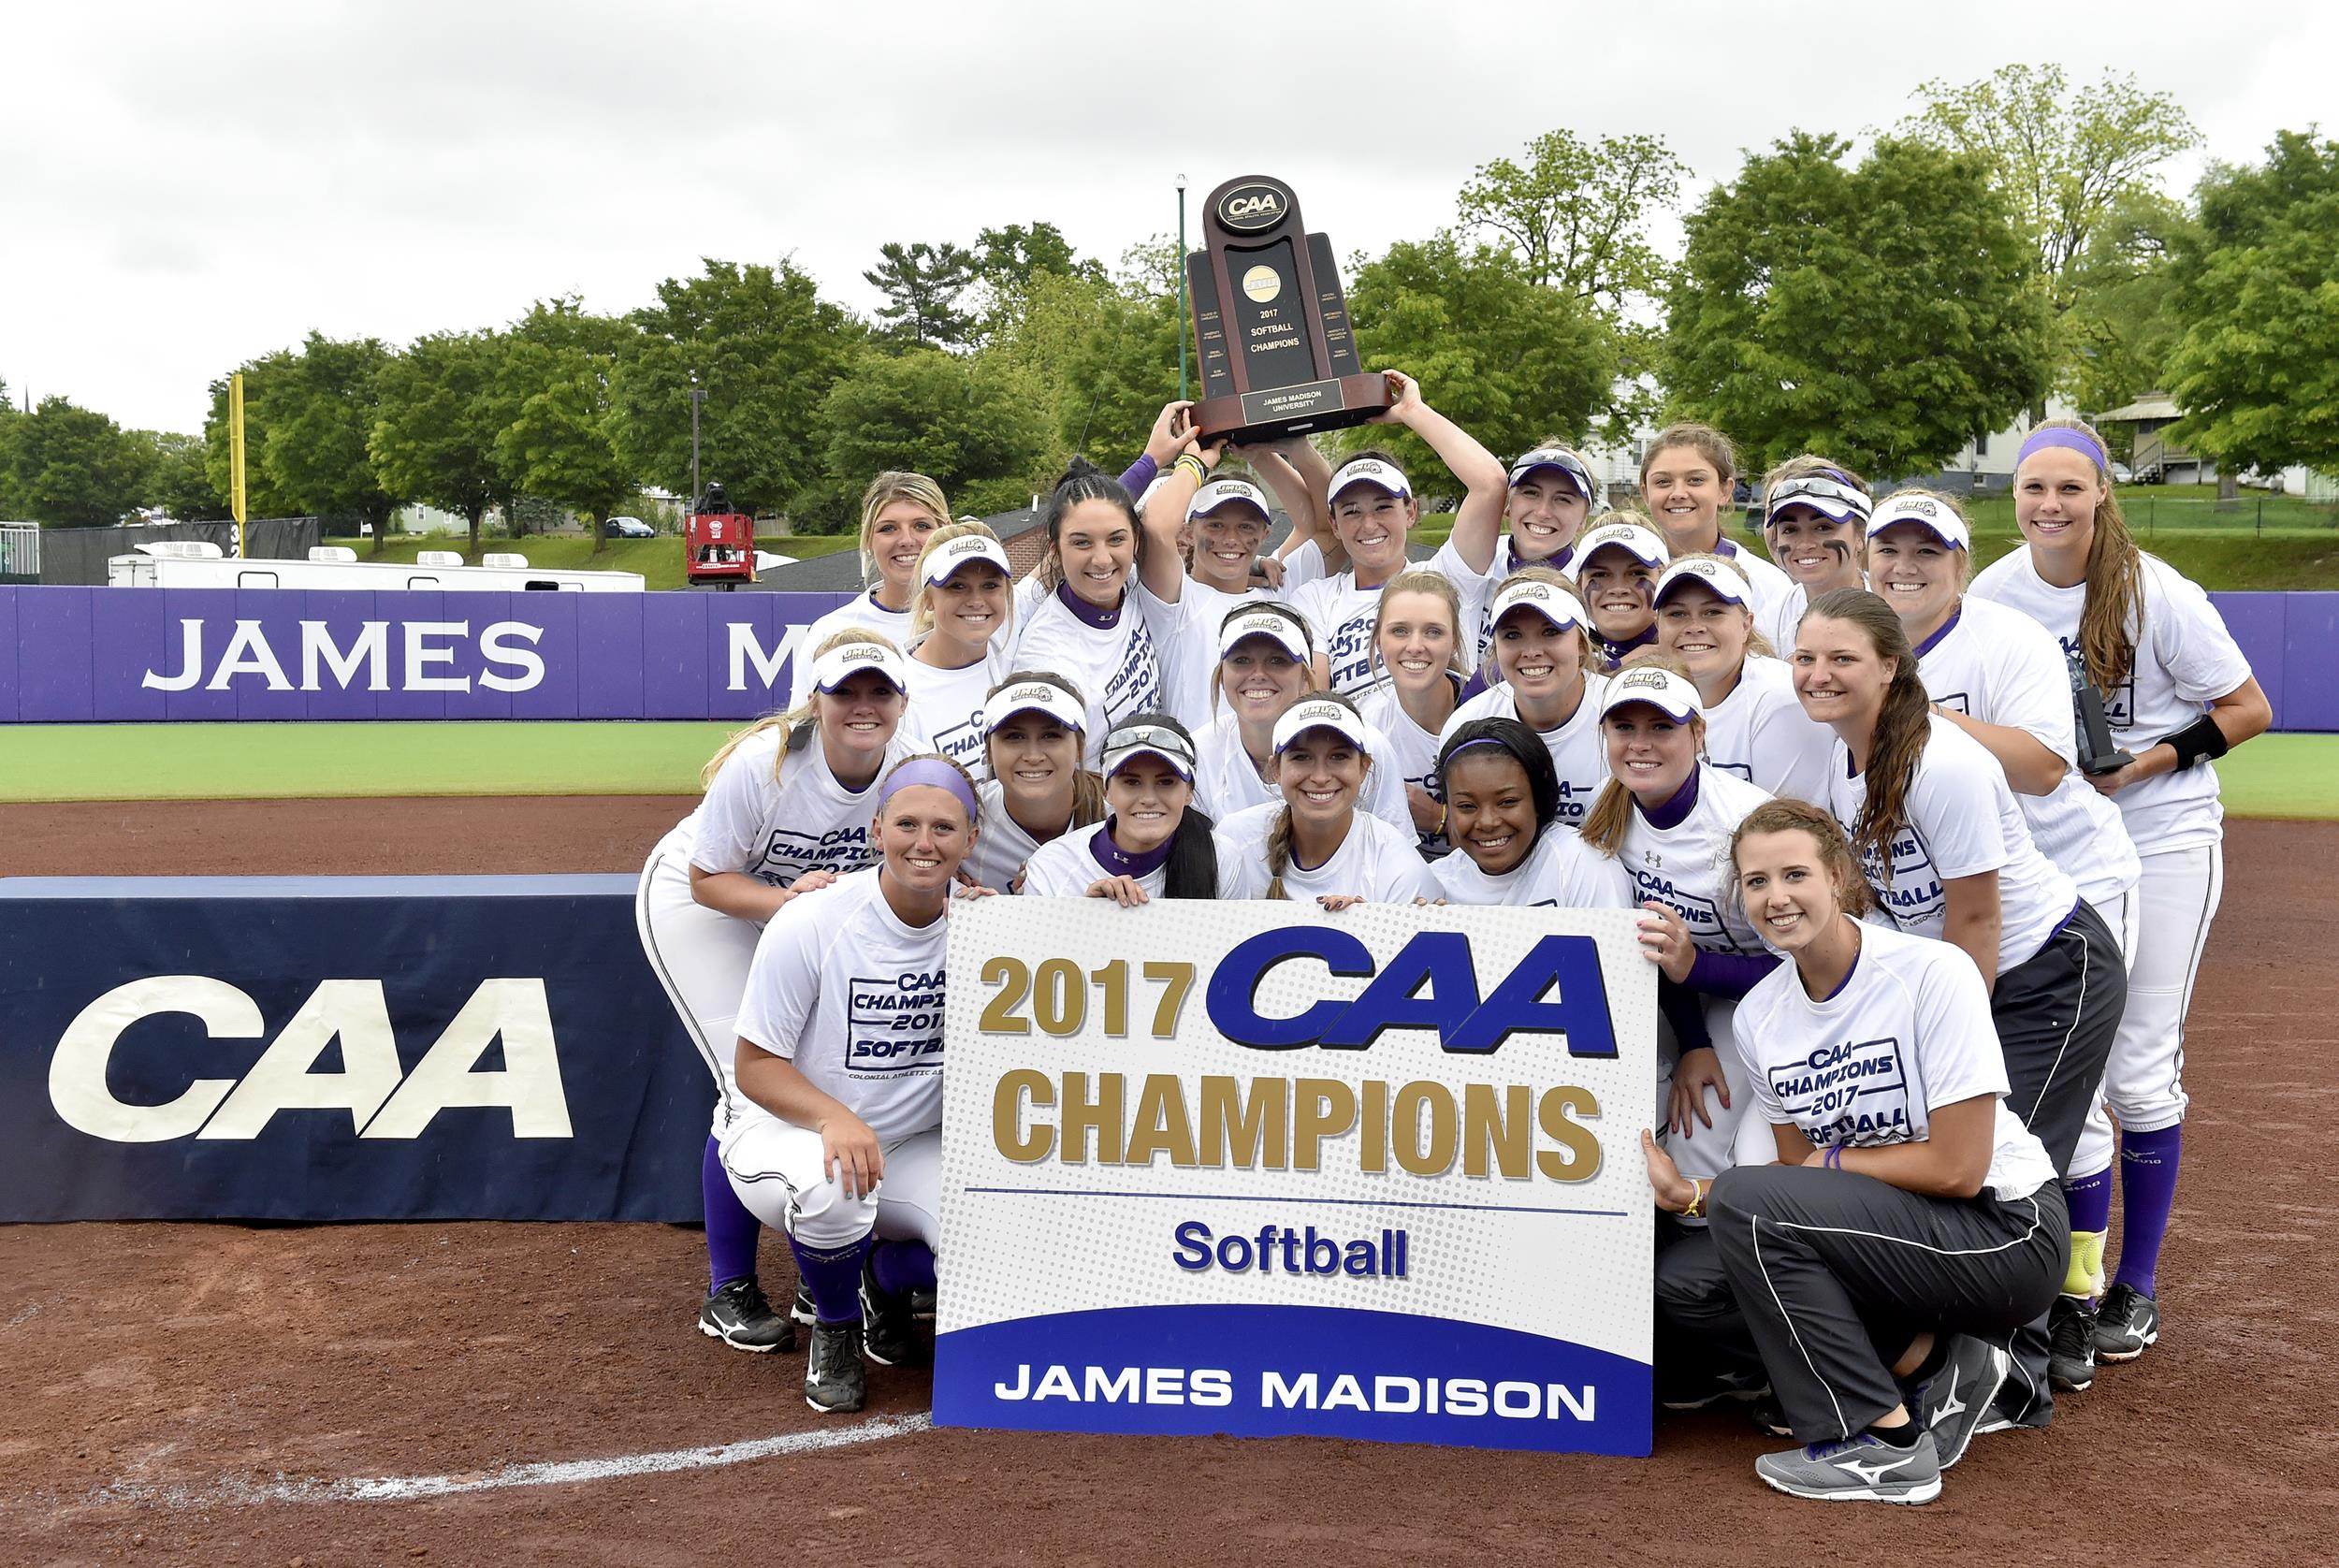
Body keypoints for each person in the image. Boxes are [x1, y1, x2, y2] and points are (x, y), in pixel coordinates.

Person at [1647, 799, 2069, 1505]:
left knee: (1751, 1199)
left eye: (1794, 875)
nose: (1775, 898)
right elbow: (1794, 1183)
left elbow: (1958, 1170)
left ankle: (1887, 1445)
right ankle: (1940, 1367)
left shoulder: (1934, 971)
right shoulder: (1760, 1017)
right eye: (1756, 882)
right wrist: (1689, 1195)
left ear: (1839, 877)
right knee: (1688, 1282)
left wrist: (1830, 1167)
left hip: (2007, 1231)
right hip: (1894, 1229)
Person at [1970, 418, 2270, 1376]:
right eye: (2032, 489)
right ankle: (2065, 1282)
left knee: (2137, 1068)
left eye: (2068, 486)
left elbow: (2247, 708)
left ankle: (2132, 1283)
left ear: (2103, 492)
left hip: (2162, 828)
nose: (2049, 504)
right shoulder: (1994, 591)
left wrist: (2140, 764)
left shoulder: (2155, 592)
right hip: (2058, 845)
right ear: (2012, 498)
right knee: (2076, 1070)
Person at [1794, 587, 2128, 1429]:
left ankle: (2010, 1374)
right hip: (1968, 978)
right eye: (1806, 657)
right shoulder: (1844, 757)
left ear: (1890, 667)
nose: (1819, 674)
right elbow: (1882, 903)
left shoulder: (1942, 762)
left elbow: (1978, 917)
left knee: (1998, 1171)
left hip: (2047, 972)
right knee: (1947, 1162)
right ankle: (1962, 1353)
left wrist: (1953, 1037)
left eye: (1842, 659)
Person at [635, 632, 917, 1354]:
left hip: (800, 907)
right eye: (845, 692)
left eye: (878, 692)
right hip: (703, 901)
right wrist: (786, 908)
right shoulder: (766, 765)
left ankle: (814, 1267)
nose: (863, 705)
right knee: (747, 1079)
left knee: (816, 1070)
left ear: (901, 701)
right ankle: (727, 1288)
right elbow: (707, 879)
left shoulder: (907, 768)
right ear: (815, 703)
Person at [724, 753, 982, 1413]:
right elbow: (754, 1065)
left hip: (911, 1146)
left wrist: (1107, 901)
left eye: (945, 829)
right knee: (832, 1190)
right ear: (875, 831)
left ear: (972, 839)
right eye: (907, 824)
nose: (925, 844)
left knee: (995, 1238)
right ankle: (835, 1326)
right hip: (795, 1134)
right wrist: (832, 1119)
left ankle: (882, 1278)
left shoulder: (989, 925)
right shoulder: (813, 921)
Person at [1578, 658, 1779, 1186]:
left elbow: (1812, 964)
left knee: (1710, 1147)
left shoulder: (1745, 823)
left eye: (1662, 727)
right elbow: (1645, 949)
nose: (1640, 743)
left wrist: (1695, 969)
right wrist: (1693, 1041)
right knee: (1665, 1131)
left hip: (1780, 993)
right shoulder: (1609, 806)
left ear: (1699, 732)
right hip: (1693, 995)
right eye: (1624, 727)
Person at [1291, 370, 1506, 697]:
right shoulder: (1317, 598)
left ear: (1411, 512)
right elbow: (1317, 693)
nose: (1369, 525)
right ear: (1334, 525)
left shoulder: (1446, 577)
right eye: (1351, 512)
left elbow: (1490, 484)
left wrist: (1414, 412)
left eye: (1383, 508)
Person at [1136, 427, 1333, 731]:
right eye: (1215, 526)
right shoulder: (1175, 598)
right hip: (1199, 773)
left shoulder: (1279, 586)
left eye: (1245, 527)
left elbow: (1325, 526)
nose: (1231, 539)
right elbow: (1154, 528)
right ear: (1189, 531)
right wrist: (1193, 463)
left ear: (1265, 534)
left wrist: (1270, 454)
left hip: (1278, 771)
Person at [1193, 602, 1411, 834]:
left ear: (1307, 677)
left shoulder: (1364, 742)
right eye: (1241, 660)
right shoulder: (1200, 755)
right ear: (1221, 675)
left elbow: (1395, 850)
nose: (1258, 674)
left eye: (1277, 660)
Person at [1216, 693, 1442, 905]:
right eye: (1302, 757)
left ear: (1363, 767)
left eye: (1338, 757)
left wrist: (1367, 925)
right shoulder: (1235, 841)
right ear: (1276, 769)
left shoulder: (1399, 866)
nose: (1321, 777)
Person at [1009, 457, 1165, 757]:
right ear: (1056, 551)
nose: (1103, 559)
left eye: (1116, 539)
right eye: (1082, 543)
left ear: (1135, 540)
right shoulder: (1046, 663)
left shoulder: (1134, 582)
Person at [1653, 555, 1832, 803]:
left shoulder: (1782, 699)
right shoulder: (1648, 693)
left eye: (1712, 612)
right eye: (1677, 614)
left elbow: (1794, 829)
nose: (1694, 627)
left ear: (1746, 625)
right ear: (1657, 625)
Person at [1441, 572, 1611, 830]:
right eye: (1512, 635)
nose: (1531, 652)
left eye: (1550, 632)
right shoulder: (1468, 724)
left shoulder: (1620, 711)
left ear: (1582, 644)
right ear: (1495, 648)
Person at [1019, 715, 1233, 902]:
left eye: (1166, 782)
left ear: (1189, 792)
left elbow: (1231, 947)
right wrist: (1085, 915)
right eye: (1131, 782)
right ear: (1107, 791)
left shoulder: (1222, 858)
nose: (1148, 799)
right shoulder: (1052, 866)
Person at [1428, 718, 1634, 907]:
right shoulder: (1435, 883)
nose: (1487, 822)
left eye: (1507, 802)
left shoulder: (1583, 863)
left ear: (1538, 799)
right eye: (1466, 806)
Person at [1434, 440, 1605, 665]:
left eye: (1563, 499)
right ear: (1508, 504)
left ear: (1584, 518)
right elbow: (1487, 481)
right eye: (1531, 493)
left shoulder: (1593, 585)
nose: (1543, 511)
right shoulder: (1476, 553)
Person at [789, 474, 947, 706]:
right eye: (888, 528)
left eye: (922, 526)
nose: (906, 540)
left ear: (945, 533)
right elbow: (801, 731)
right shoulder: (831, 631)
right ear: (869, 540)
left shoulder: (979, 621)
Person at [1356, 569, 1471, 856]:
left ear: (1454, 640)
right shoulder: (1364, 725)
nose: (1415, 646)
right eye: (1400, 631)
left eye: (1433, 632)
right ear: (1379, 640)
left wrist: (1439, 818)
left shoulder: (1488, 712)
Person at [965, 671, 1104, 894]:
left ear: (1080, 748)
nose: (1033, 756)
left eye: (1051, 736)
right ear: (989, 752)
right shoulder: (964, 820)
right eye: (1014, 737)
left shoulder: (1117, 816)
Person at [1637, 422, 1794, 615]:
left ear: (1725, 490)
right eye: (1663, 482)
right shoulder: (1623, 581)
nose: (1678, 493)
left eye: (1695, 480)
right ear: (1645, 493)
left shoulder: (1767, 585)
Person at [899, 524, 1016, 768]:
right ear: (929, 599)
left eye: (990, 585)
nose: (976, 601)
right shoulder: (900, 691)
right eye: (957, 586)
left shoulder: (1014, 658)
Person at [1755, 457, 1873, 652]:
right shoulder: (1769, 623)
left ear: (1860, 536)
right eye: (1790, 530)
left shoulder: (1896, 607)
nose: (1805, 544)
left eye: (1823, 527)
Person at [1564, 516, 1669, 668]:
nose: (1618, 589)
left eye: (1636, 573)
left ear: (1664, 580)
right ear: (1579, 585)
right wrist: (1615, 667)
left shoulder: (1697, 655)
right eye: (1600, 575)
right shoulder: (1552, 663)